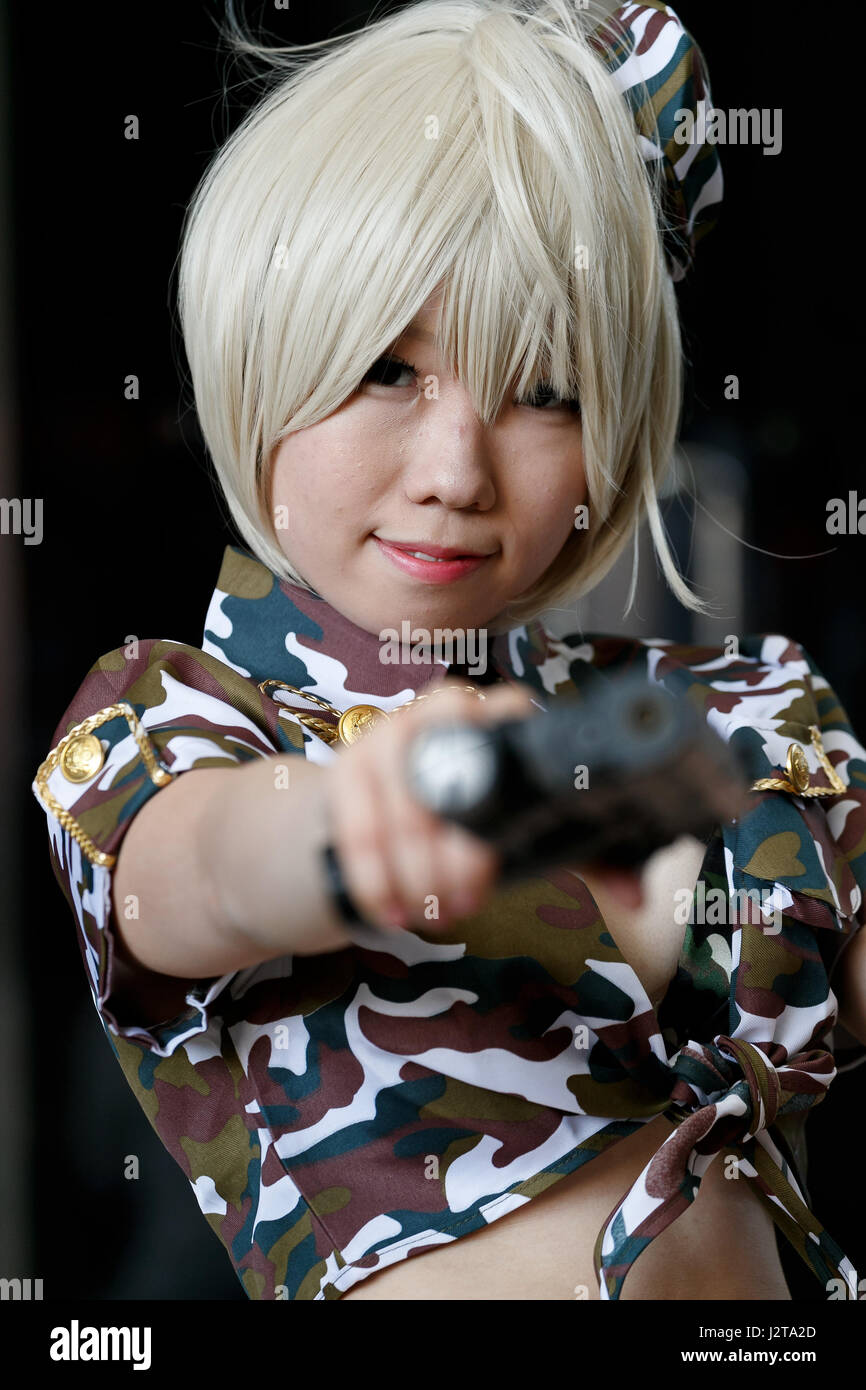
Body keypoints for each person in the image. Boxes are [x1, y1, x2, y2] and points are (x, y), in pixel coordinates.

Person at [32, 0, 866, 1301]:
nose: (453, 470)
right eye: (385, 369)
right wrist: (355, 820)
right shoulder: (175, 717)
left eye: (544, 389)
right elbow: (203, 870)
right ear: (263, 358)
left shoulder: (740, 709)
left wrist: (697, 909)